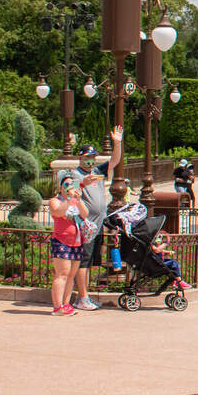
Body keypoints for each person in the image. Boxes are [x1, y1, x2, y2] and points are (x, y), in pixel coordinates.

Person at [71, 126, 123, 311]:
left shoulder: (97, 172)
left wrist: (117, 143)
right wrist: (82, 183)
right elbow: (68, 189)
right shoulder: (76, 174)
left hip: (97, 225)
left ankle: (85, 296)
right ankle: (82, 297)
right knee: (83, 261)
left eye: (92, 157)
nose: (90, 160)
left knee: (91, 261)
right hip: (85, 226)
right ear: (80, 157)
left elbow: (114, 161)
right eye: (87, 157)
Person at [48, 173, 87, 316]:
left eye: (72, 184)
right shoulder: (55, 201)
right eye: (66, 185)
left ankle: (66, 304)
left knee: (71, 275)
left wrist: (78, 199)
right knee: (62, 274)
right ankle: (57, 306)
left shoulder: (76, 202)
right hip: (61, 241)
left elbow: (85, 214)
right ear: (60, 188)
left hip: (76, 241)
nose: (70, 187)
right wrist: (69, 199)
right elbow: (58, 212)